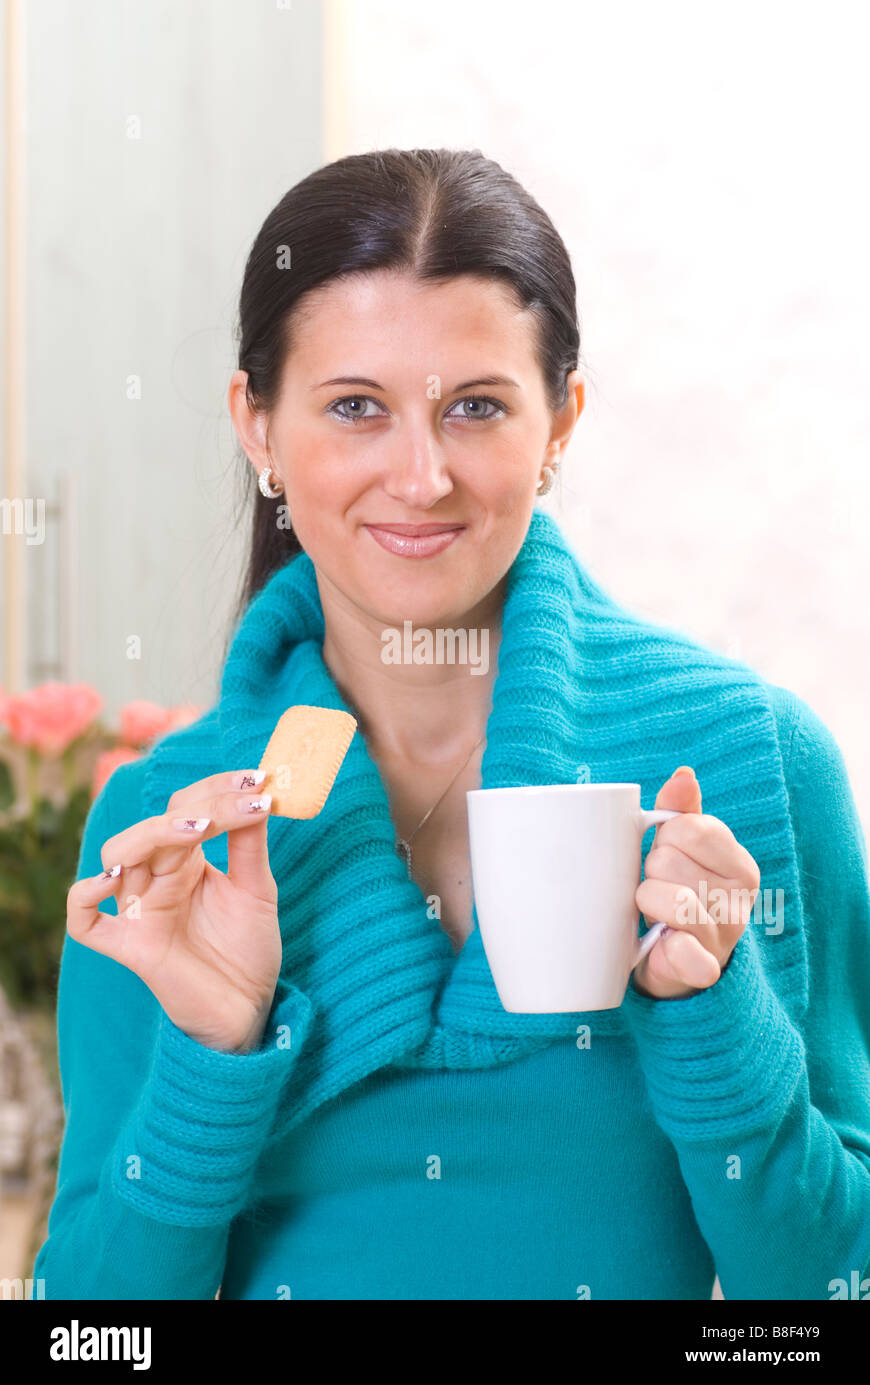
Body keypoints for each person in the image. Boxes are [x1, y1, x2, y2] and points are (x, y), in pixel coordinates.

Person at [35, 148, 870, 1300]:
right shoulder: (162, 830)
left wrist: (716, 1022)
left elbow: (831, 1289)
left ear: (562, 420)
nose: (420, 477)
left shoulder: (752, 762)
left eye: (475, 407)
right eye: (355, 409)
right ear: (258, 425)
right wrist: (212, 1052)